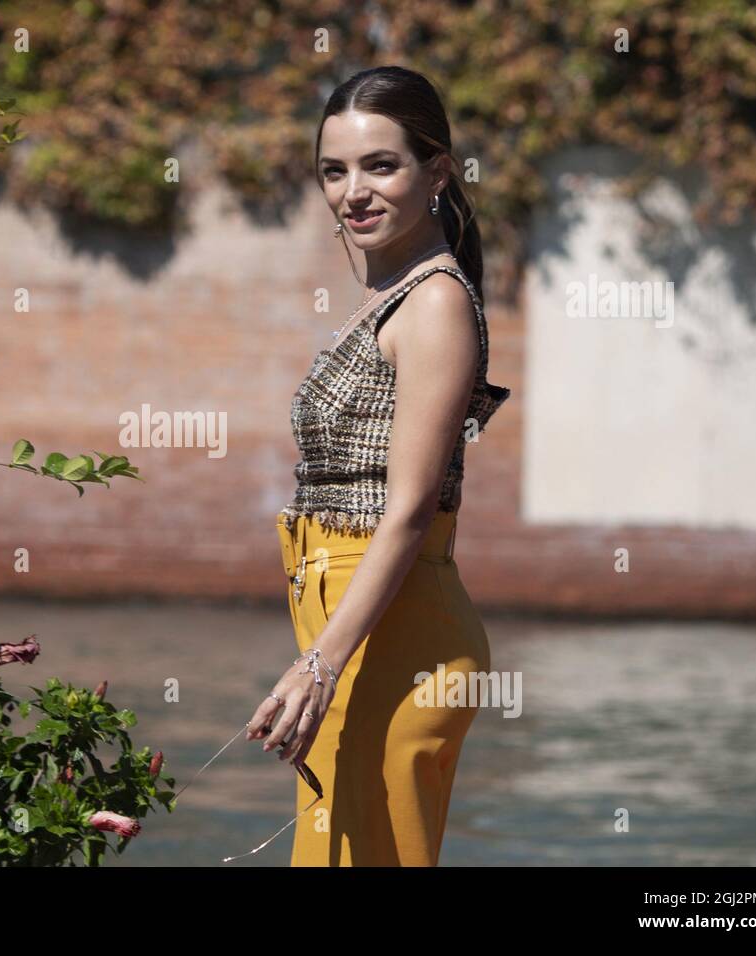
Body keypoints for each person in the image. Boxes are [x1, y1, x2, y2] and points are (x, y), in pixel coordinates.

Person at [249, 66, 511, 866]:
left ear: (437, 172)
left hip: (394, 642)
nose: (352, 192)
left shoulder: (433, 301)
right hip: (354, 626)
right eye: (335, 171)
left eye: (380, 166)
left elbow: (408, 508)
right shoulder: (392, 294)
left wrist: (318, 666)